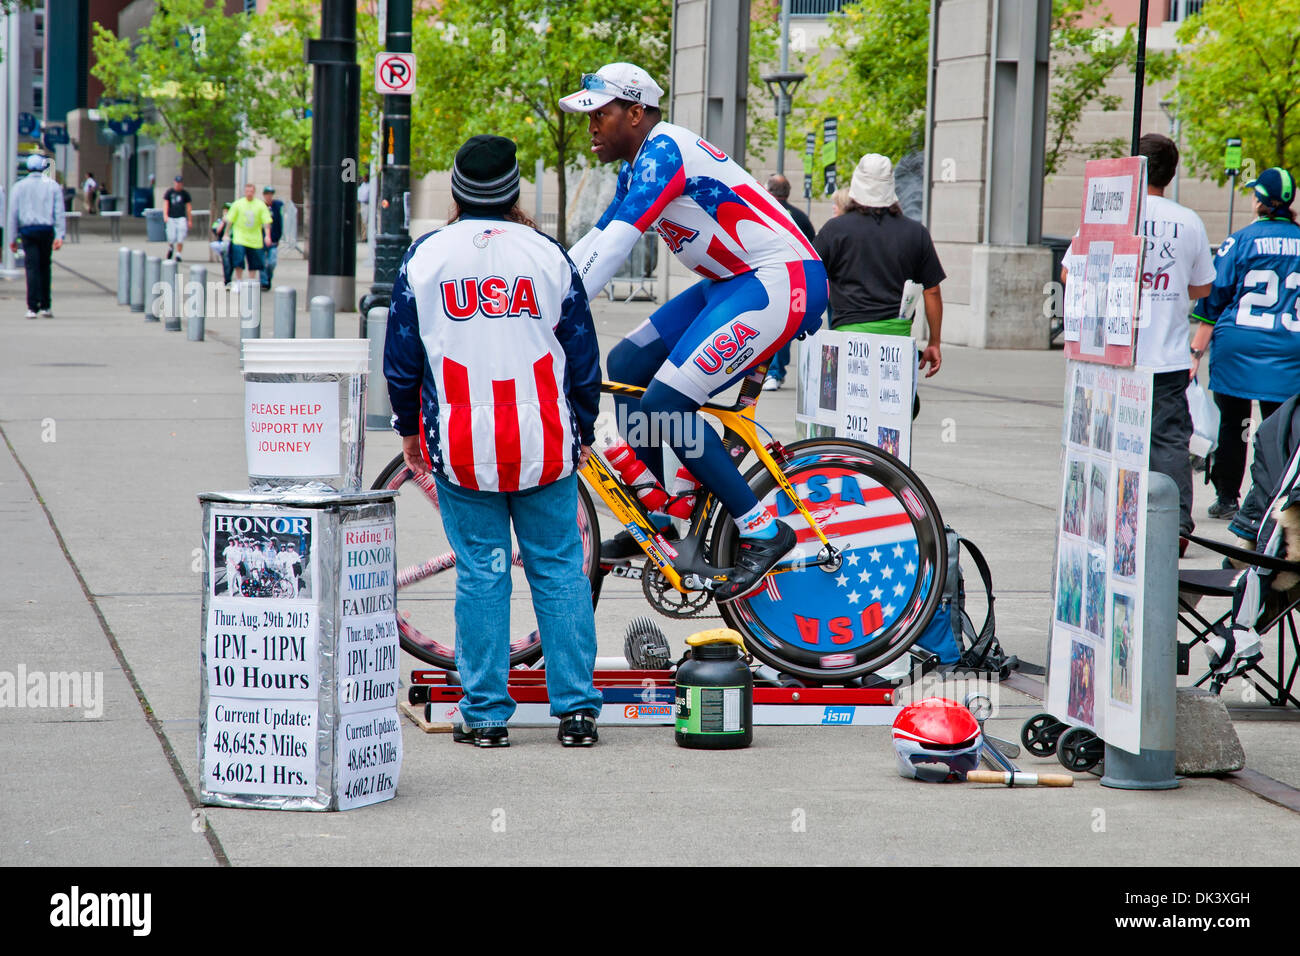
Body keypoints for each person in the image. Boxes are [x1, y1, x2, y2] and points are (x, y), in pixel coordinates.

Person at [559, 62, 829, 601]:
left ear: (636, 113)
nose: (589, 126)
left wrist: (554, 313)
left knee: (665, 405)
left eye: (600, 113)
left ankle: (762, 529)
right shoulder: (637, 165)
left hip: (780, 281)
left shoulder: (665, 152)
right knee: (628, 366)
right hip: (731, 281)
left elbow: (616, 250)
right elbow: (597, 239)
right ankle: (661, 513)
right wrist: (543, 290)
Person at [383, 134, 604, 748]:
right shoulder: (549, 257)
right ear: (513, 194)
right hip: (542, 436)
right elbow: (581, 358)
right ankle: (578, 714)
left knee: (481, 571)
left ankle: (484, 717)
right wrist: (581, 427)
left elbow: (401, 361)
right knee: (559, 568)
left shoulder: (426, 258)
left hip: (460, 438)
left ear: (456, 191)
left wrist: (408, 430)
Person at [1062, 133, 1215, 540]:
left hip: (1113, 353)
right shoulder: (1189, 221)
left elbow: (1068, 272)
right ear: (1171, 172)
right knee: (1168, 441)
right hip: (1166, 355)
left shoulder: (1110, 212)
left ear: (1135, 166)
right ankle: (1177, 524)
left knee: (1111, 437)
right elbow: (1203, 288)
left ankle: (1111, 511)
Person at [1192, 166, 1300, 519]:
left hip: (1238, 346)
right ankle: (1274, 498)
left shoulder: (1239, 241)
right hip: (1289, 350)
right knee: (1278, 429)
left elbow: (1213, 298)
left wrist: (1195, 351)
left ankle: (1227, 497)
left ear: (1261, 202)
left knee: (1234, 423)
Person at [814, 154, 944, 392]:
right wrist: (934, 341)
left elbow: (810, 277)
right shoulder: (916, 233)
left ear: (856, 185)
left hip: (847, 338)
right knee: (893, 414)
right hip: (897, 342)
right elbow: (932, 291)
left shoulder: (835, 230)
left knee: (846, 412)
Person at [761, 173, 817, 391]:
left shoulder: (765, 212)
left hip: (773, 278)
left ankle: (773, 372)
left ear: (769, 190)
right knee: (785, 326)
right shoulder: (802, 217)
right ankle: (775, 371)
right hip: (798, 281)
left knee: (773, 325)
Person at [7, 154, 66, 319]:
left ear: (27, 168)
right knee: (45, 267)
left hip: (27, 231)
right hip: (46, 230)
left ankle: (32, 307)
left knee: (31, 267)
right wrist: (60, 235)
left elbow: (13, 214)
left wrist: (11, 238)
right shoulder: (53, 186)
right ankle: (46, 305)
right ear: (43, 168)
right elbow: (59, 212)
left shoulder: (19, 187)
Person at [224, 182, 273, 285]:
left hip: (255, 239)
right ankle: (238, 280)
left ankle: (251, 281)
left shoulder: (260, 205)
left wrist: (267, 236)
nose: (249, 193)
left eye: (251, 191)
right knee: (238, 260)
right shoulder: (238, 204)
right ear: (244, 192)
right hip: (239, 238)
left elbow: (266, 222)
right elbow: (230, 220)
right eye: (247, 191)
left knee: (254, 263)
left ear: (254, 192)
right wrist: (226, 233)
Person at [162, 174, 193, 262]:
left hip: (181, 217)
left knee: (181, 235)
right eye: (177, 183)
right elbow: (166, 204)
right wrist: (165, 215)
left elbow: (188, 207)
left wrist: (190, 220)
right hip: (171, 217)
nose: (178, 184)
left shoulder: (185, 194)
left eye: (179, 183)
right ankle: (171, 247)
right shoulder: (170, 192)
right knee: (171, 236)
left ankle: (178, 254)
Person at [261, 186, 284, 290]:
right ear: (264, 195)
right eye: (267, 194)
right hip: (260, 239)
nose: (269, 196)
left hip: (274, 239)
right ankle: (264, 282)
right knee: (262, 262)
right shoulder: (261, 206)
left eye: (271, 194)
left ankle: (269, 276)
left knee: (271, 262)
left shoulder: (277, 206)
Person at [357, 174, 370, 241]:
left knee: (367, 221)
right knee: (363, 221)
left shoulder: (369, 186)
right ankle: (364, 236)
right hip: (362, 204)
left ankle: (366, 236)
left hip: (368, 204)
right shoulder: (362, 186)